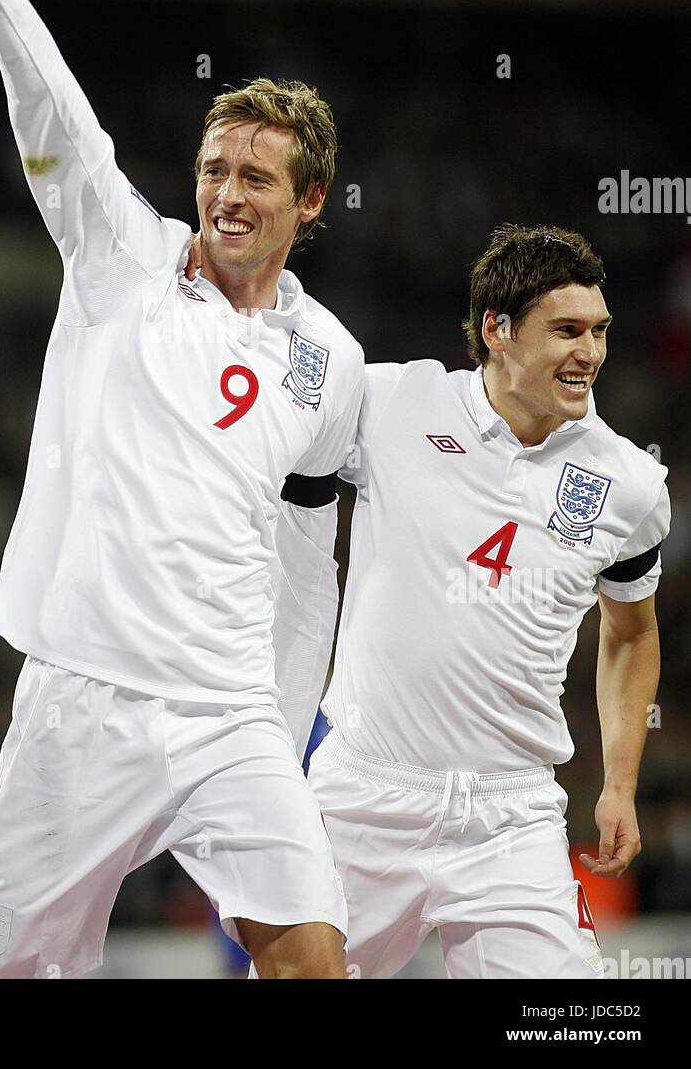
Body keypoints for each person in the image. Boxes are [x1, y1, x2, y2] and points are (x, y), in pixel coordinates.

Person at [0, 0, 363, 979]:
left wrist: (287, 723)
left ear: (309, 203)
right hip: (82, 705)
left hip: (226, 714)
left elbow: (309, 563)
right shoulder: (126, 258)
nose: (227, 193)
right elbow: (58, 121)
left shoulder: (331, 364)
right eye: (215, 167)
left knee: (316, 961)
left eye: (258, 177)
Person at [275, 224, 669, 979]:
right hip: (362, 794)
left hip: (510, 817)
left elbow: (629, 633)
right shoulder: (393, 401)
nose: (588, 352)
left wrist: (618, 785)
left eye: (598, 331)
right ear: (495, 329)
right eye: (565, 330)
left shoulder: (629, 487)